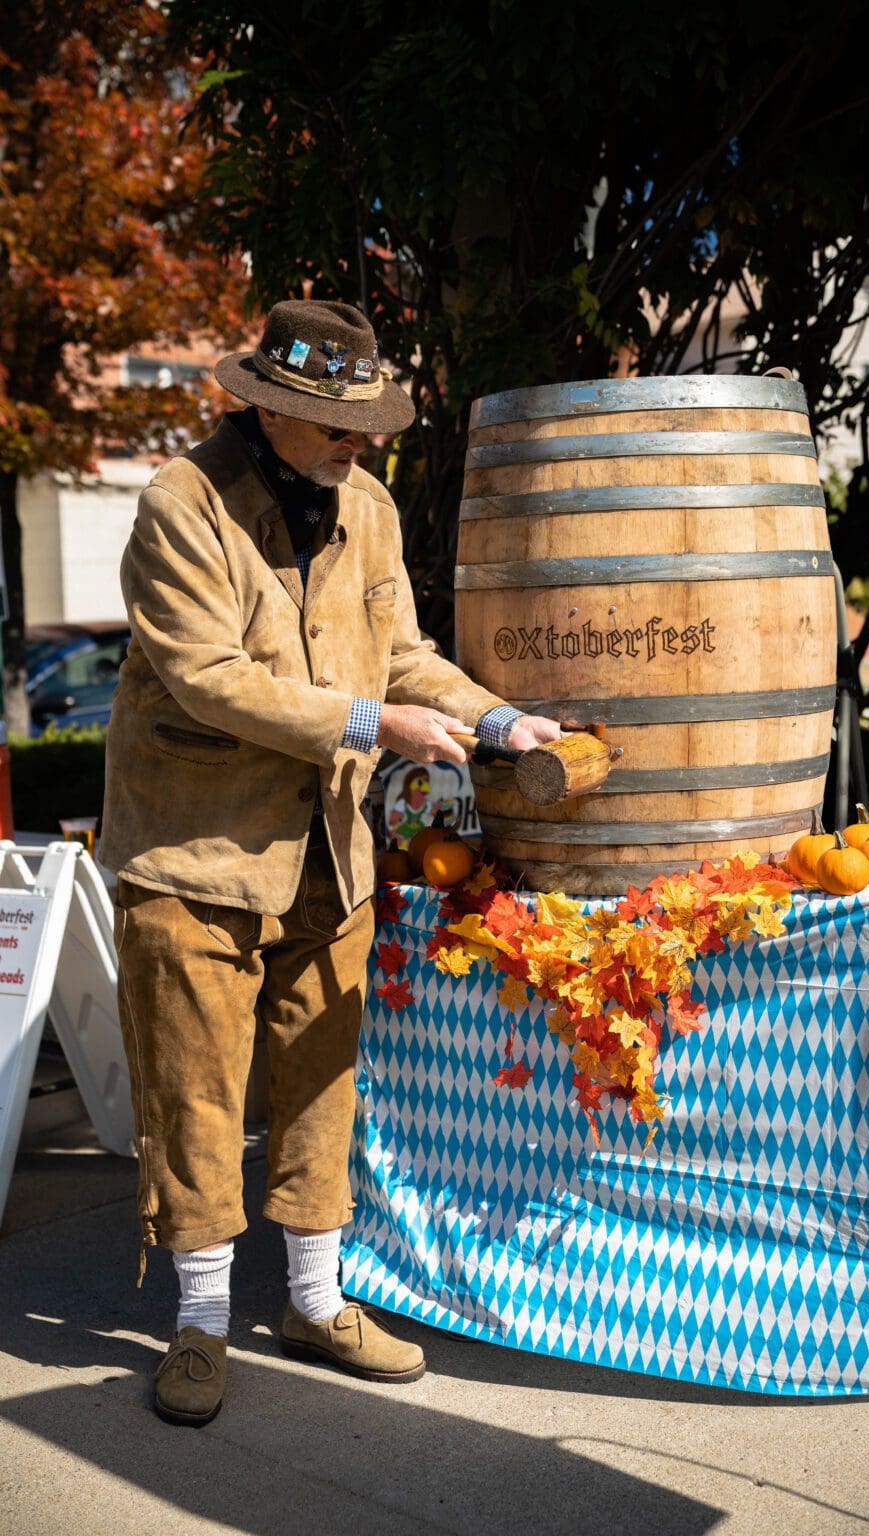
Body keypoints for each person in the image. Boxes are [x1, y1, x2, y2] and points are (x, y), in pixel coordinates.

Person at [99, 299, 560, 1426]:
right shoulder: (179, 504)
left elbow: (402, 654)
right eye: (337, 423)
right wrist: (368, 726)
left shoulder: (369, 504)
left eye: (364, 422)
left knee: (320, 1081)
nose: (361, 441)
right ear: (267, 408)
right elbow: (209, 675)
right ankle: (199, 1326)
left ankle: (315, 1300)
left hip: (328, 848)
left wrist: (499, 722)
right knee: (195, 1091)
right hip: (192, 849)